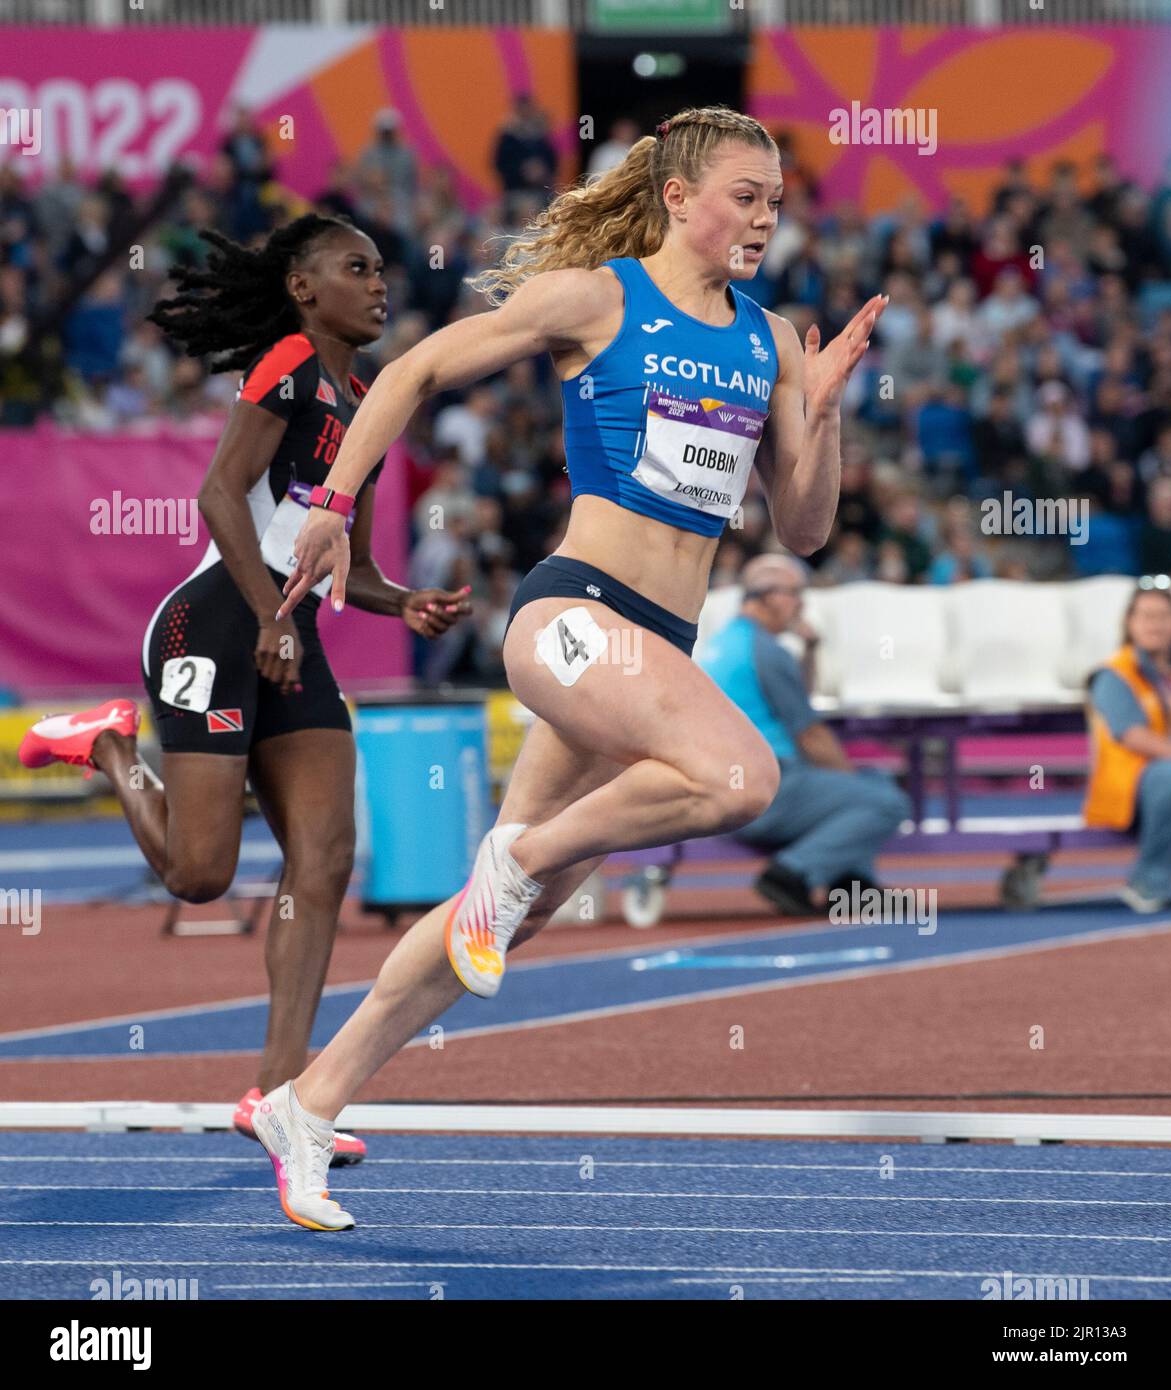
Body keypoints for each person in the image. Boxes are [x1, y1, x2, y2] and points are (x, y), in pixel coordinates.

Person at [251, 105, 885, 1231]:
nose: (763, 219)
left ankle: (308, 1099)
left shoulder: (772, 339)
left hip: (655, 651)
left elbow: (801, 527)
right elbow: (411, 373)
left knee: (508, 918)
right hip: (573, 617)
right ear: (678, 196)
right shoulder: (599, 297)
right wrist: (333, 506)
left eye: (777, 203)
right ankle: (522, 855)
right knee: (742, 778)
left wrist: (822, 414)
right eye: (744, 195)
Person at [18, 213, 470, 1166]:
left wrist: (408, 605)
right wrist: (270, 619)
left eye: (384, 269)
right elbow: (221, 496)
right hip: (217, 626)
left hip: (287, 637)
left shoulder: (369, 402)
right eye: (358, 269)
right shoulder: (289, 364)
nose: (381, 284)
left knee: (326, 858)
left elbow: (356, 567)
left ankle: (283, 1097)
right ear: (305, 288)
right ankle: (108, 745)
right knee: (200, 875)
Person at [697, 554, 909, 915]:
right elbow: (809, 734)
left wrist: (809, 650)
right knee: (883, 800)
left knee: (866, 787)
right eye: (794, 593)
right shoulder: (767, 652)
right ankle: (792, 873)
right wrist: (848, 777)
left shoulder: (727, 643)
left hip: (729, 786)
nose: (802, 604)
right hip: (768, 789)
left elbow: (793, 702)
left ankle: (853, 887)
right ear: (767, 596)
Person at [1082, 576, 1171, 912]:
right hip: (1129, 784)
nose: (1155, 625)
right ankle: (1148, 881)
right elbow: (1132, 734)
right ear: (1129, 622)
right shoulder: (1114, 674)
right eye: (1146, 616)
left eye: (1163, 616)